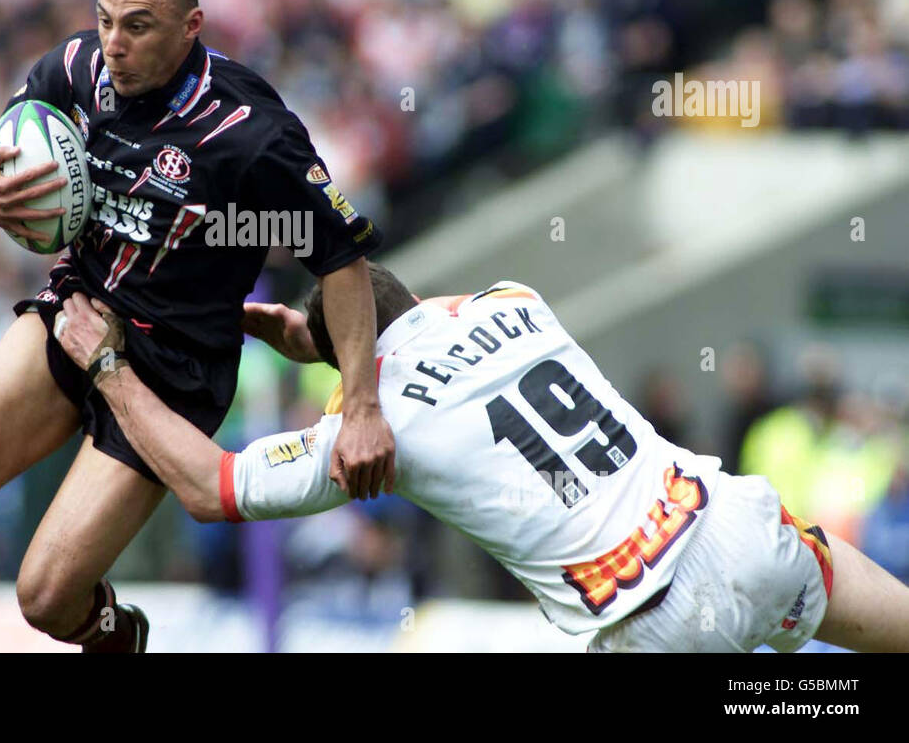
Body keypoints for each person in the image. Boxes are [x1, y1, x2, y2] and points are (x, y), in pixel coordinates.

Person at [0, 0, 390, 653]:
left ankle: (121, 638)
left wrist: (361, 406)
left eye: (138, 27)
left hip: (172, 369)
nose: (114, 44)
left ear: (191, 27)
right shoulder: (80, 67)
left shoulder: (251, 136)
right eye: (106, 20)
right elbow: (2, 140)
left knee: (48, 599)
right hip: (77, 309)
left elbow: (343, 258)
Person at [51, 263, 909, 653]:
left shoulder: (370, 426)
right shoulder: (516, 300)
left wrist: (110, 368)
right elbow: (400, 311)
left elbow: (209, 485)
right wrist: (320, 331)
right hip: (735, 523)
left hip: (649, 617)